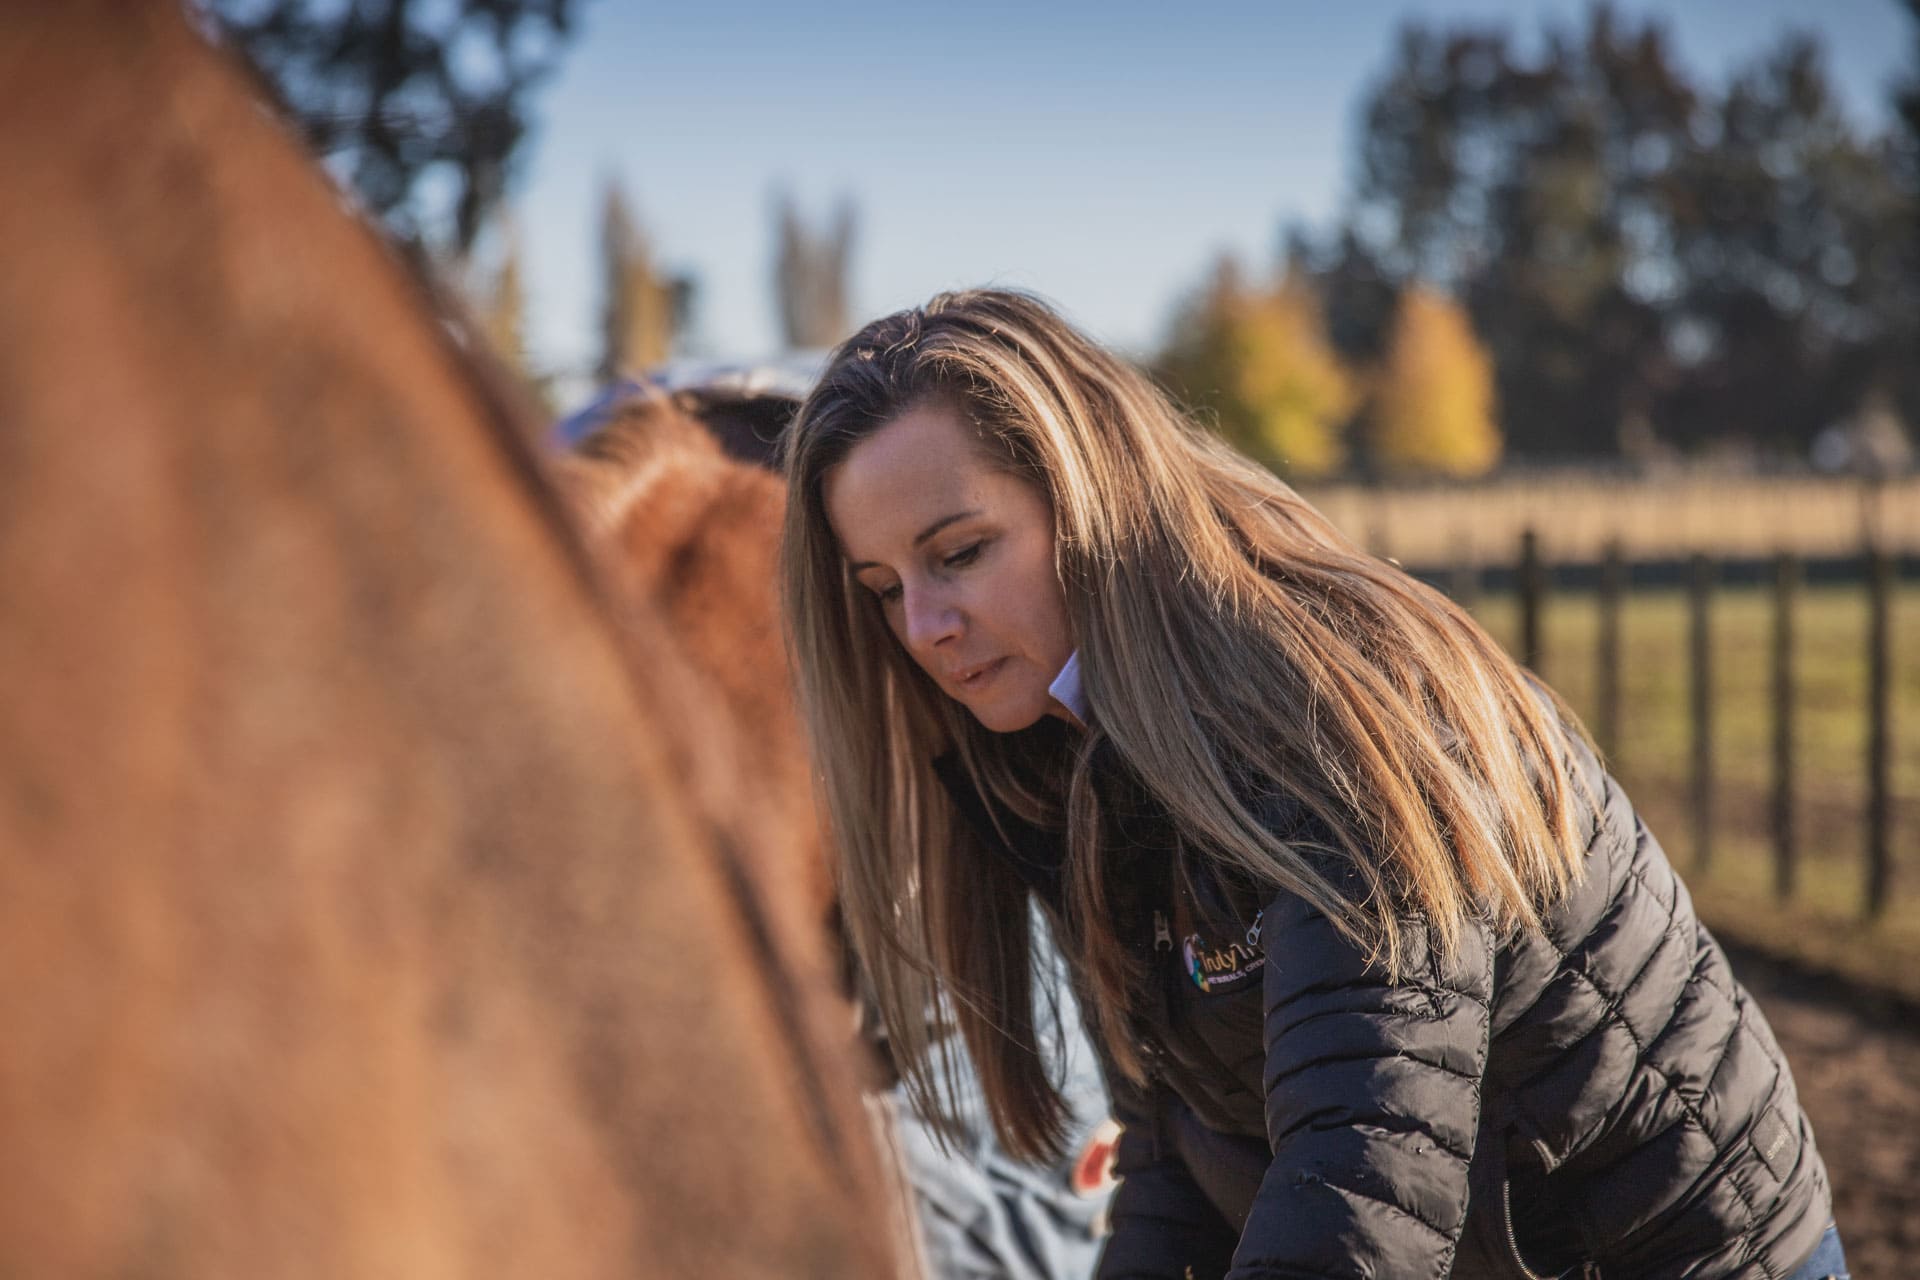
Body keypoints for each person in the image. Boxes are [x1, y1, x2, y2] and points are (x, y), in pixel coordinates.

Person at [778, 289, 1841, 1280]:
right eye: (883, 589)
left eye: (958, 552)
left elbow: (1370, 1161)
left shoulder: (1325, 714)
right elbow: (1176, 1132)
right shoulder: (1057, 751)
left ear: (1087, 495)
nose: (922, 626)